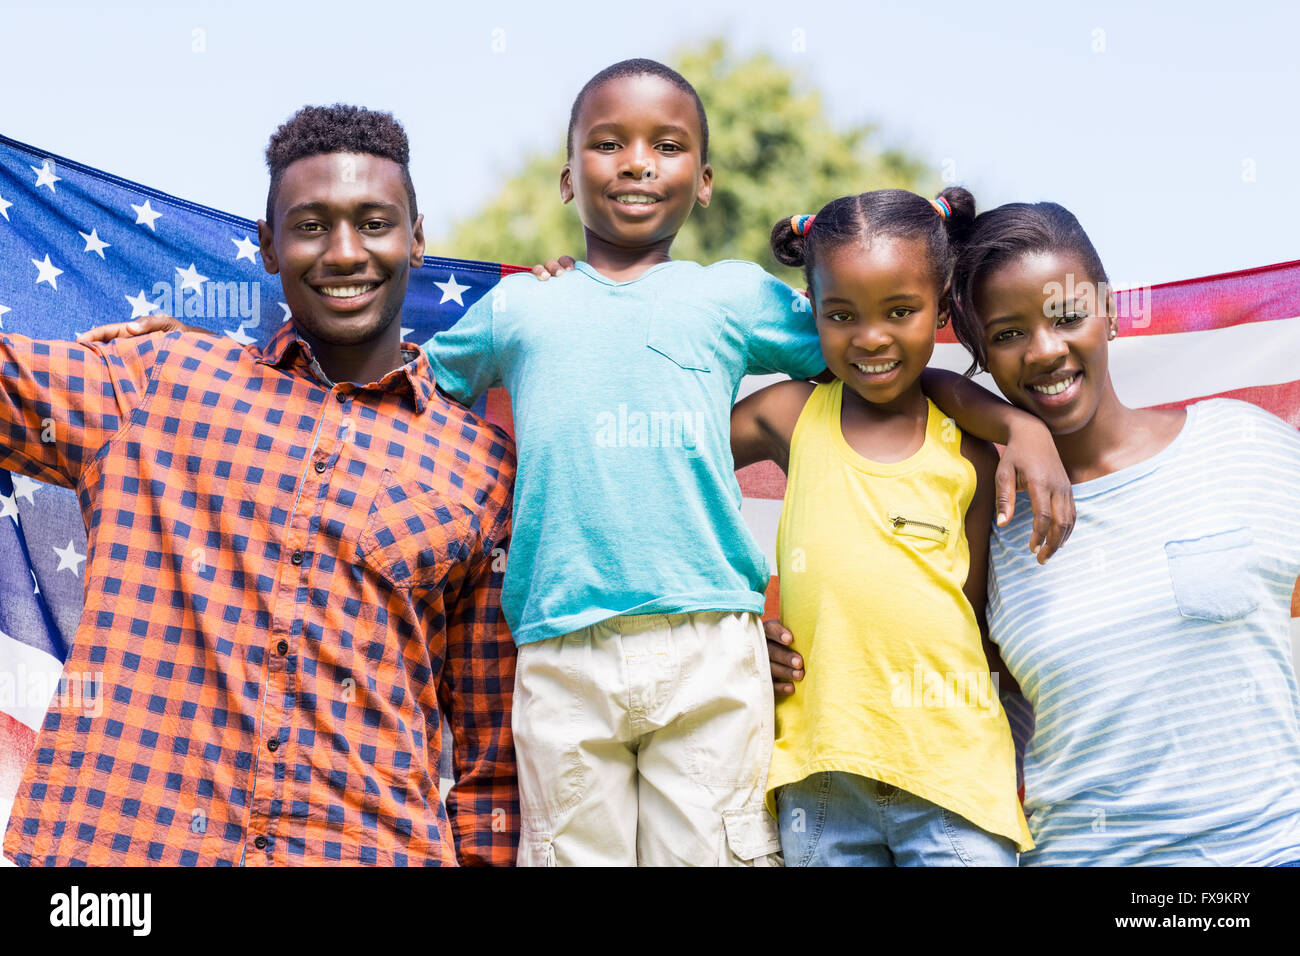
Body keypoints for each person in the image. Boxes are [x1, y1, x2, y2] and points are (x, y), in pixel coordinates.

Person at [419, 58, 1072, 866]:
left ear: (704, 182)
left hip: (712, 642)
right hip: (560, 642)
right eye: (608, 144)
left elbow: (877, 351)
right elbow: (418, 395)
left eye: (667, 145)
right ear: (565, 179)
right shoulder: (520, 307)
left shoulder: (732, 295)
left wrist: (1016, 425)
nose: (635, 162)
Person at [0, 105, 519, 866]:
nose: (345, 253)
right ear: (268, 245)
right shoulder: (161, 379)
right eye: (311, 226)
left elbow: (493, 756)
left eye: (374, 223)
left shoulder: (484, 466)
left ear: (416, 238)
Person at [769, 200, 1300, 865]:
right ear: (977, 350)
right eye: (1009, 332)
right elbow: (899, 639)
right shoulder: (977, 502)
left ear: (1108, 310)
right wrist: (752, 650)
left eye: (1069, 315)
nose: (1045, 349)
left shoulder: (1246, 446)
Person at [731, 189, 1032, 866]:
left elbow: (975, 618)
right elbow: (670, 477)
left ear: (943, 306)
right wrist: (735, 629)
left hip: (954, 778)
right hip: (822, 777)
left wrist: (1023, 427)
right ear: (815, 313)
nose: (871, 338)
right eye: (842, 315)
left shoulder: (971, 446)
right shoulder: (790, 414)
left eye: (901, 311)